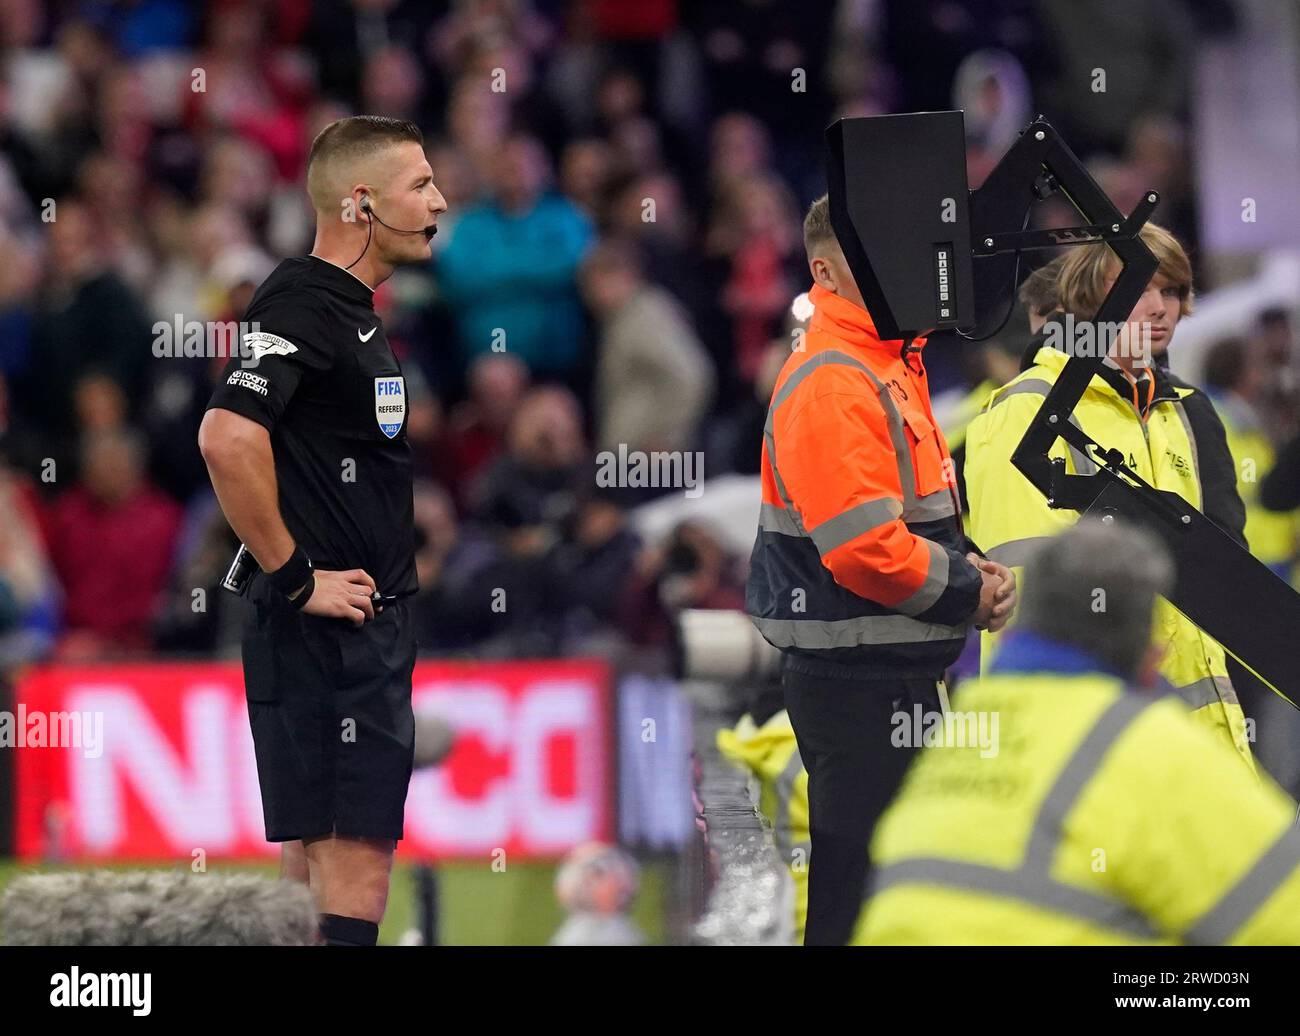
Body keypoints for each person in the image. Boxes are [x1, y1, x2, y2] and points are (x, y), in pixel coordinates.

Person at [198, 115, 447, 947]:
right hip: (331, 637)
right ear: (362, 202)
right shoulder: (304, 300)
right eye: (420, 185)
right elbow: (227, 436)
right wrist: (298, 576)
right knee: (353, 869)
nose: (439, 201)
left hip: (346, 634)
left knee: (312, 873)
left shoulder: (352, 311)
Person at [745, 194, 1016, 945]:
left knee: (886, 893)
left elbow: (901, 524)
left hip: (886, 672)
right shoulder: (838, 376)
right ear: (826, 271)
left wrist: (970, 568)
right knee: (863, 899)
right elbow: (865, 548)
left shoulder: (885, 361)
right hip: (860, 681)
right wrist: (970, 589)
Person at [854, 521, 1300, 946]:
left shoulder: (959, 737)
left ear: (1018, 629)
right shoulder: (1146, 744)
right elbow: (1283, 917)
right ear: (1150, 655)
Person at [966, 222, 1255, 770]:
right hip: (1085, 742)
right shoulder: (1025, 411)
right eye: (1140, 287)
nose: (1160, 306)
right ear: (1086, 298)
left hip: (1197, 741)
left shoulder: (1178, 412)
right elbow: (1024, 599)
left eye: (1172, 291)